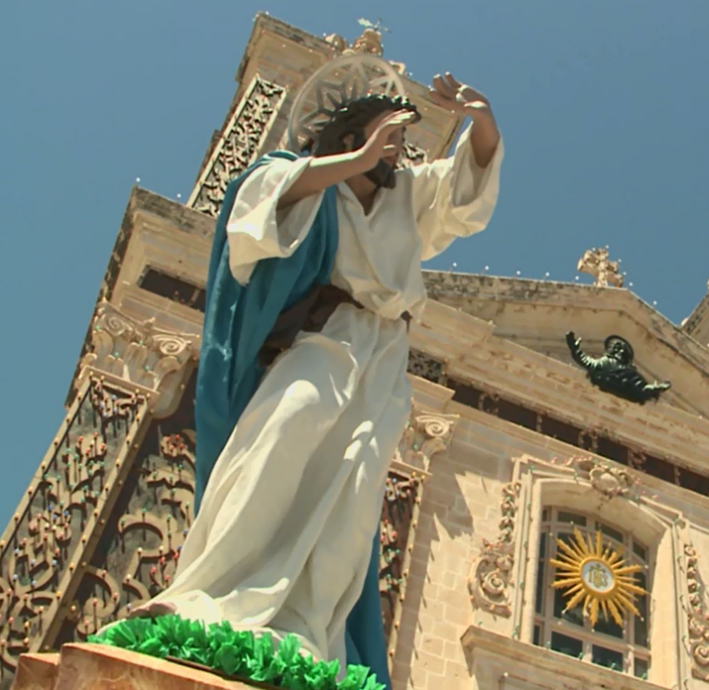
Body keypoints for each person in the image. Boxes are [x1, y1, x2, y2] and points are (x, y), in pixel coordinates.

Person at [125, 72, 503, 686]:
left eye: (399, 143)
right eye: (386, 137)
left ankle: (307, 627)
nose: (397, 153)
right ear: (350, 136)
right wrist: (347, 160)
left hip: (386, 355)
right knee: (281, 437)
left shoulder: (407, 196)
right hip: (324, 339)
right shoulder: (311, 185)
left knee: (352, 493)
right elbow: (258, 206)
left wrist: (481, 120)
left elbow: (467, 189)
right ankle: (211, 591)